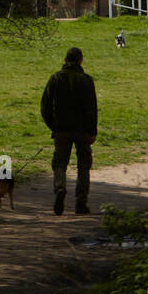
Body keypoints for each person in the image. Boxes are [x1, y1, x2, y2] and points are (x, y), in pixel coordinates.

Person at [40, 47, 98, 215]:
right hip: (82, 130)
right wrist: (92, 131)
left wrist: (53, 125)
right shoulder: (86, 80)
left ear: (65, 60)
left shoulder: (55, 78)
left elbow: (45, 106)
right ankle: (81, 202)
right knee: (83, 166)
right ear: (80, 60)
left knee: (59, 163)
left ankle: (60, 187)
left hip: (61, 129)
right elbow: (91, 108)